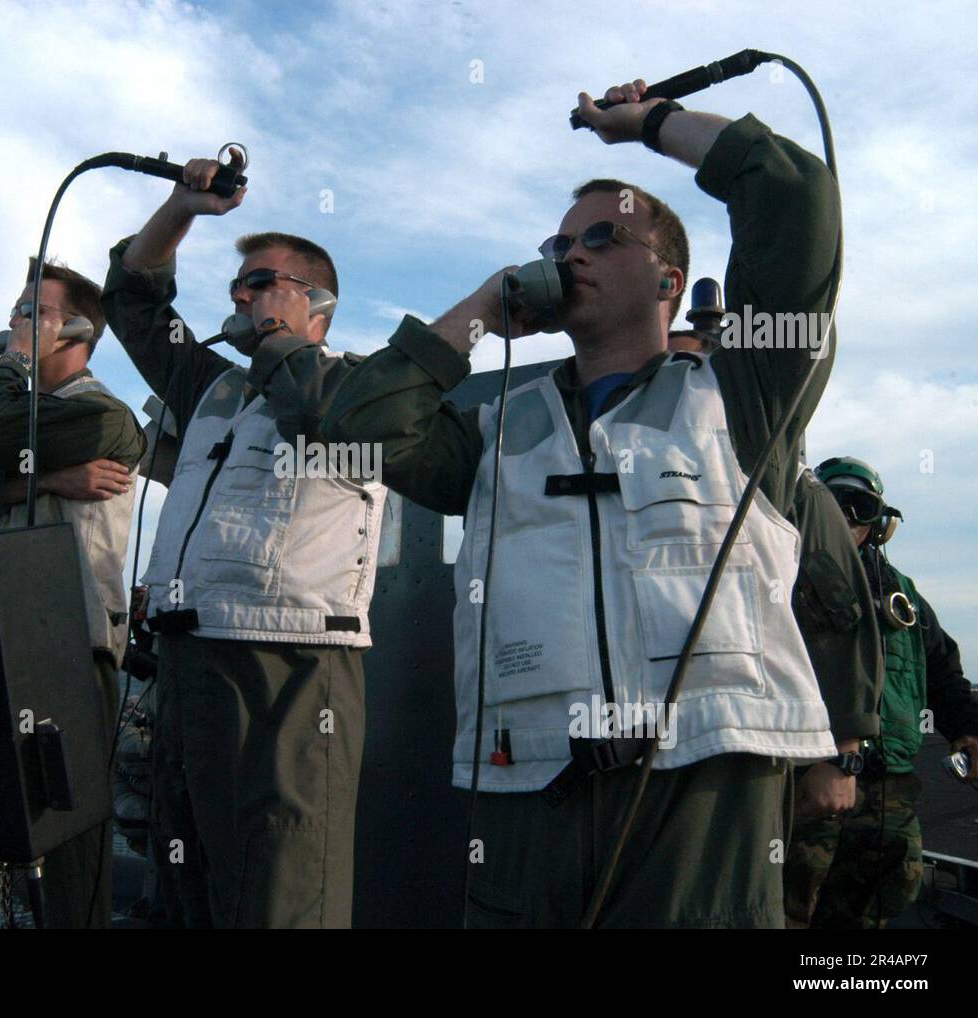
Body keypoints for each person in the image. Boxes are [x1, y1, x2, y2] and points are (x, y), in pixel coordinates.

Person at [323, 79, 841, 927]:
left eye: (605, 236)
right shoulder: (495, 430)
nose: (574, 256)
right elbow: (357, 429)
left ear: (670, 276)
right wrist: (486, 312)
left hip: (702, 799)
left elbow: (795, 195)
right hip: (526, 796)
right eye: (559, 244)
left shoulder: (741, 394)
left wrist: (647, 126)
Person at [100, 151, 386, 928]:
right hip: (188, 659)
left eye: (262, 282)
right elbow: (130, 298)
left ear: (317, 303)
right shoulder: (212, 387)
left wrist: (275, 344)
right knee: (186, 889)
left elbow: (324, 413)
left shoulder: (359, 385)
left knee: (283, 895)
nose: (241, 294)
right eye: (239, 284)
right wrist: (182, 209)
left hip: (288, 668)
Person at [0, 257, 146, 928]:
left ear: (75, 329)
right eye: (16, 310)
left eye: (30, 313)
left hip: (67, 649)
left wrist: (9, 366)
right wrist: (37, 482)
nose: (12, 323)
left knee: (70, 845)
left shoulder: (104, 417)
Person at [669, 327, 882, 824]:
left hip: (772, 748)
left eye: (687, 368)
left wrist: (841, 754)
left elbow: (840, 616)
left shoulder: (795, 490)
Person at [783, 456, 978, 928]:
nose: (846, 519)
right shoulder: (780, 580)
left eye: (860, 506)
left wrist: (968, 731)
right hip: (807, 784)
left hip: (891, 788)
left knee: (881, 898)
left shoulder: (905, 597)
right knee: (788, 903)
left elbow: (943, 673)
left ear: (881, 523)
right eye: (834, 504)